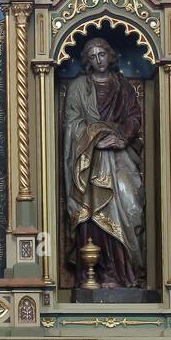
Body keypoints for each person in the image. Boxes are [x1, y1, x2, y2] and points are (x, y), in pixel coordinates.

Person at [62, 37, 145, 288]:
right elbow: (72, 123)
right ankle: (99, 274)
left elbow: (134, 116)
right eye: (93, 56)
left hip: (120, 157)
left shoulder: (123, 86)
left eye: (102, 54)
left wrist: (121, 138)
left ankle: (126, 272)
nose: (99, 60)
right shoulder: (78, 87)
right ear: (88, 60)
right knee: (91, 216)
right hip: (89, 160)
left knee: (131, 206)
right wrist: (96, 139)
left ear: (110, 56)